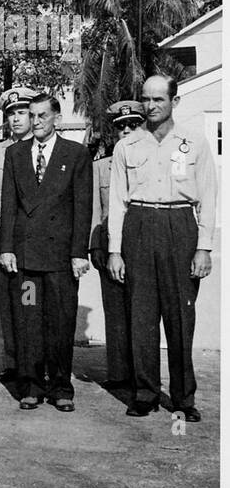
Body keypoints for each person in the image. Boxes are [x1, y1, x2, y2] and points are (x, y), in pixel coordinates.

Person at [107, 75, 217, 422]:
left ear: (175, 102)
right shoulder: (128, 146)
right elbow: (117, 202)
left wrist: (204, 247)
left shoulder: (194, 142)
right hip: (138, 226)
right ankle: (145, 393)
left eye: (159, 100)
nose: (152, 106)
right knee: (141, 317)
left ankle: (184, 398)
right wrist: (115, 250)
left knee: (181, 317)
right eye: (147, 100)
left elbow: (209, 199)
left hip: (179, 226)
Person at [0, 95, 92, 412]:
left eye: (42, 115)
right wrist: (7, 248)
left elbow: (83, 208)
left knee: (61, 324)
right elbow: (9, 205)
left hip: (60, 259)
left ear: (56, 118)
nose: (36, 121)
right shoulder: (15, 153)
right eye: (31, 115)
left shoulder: (76, 154)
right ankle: (31, 386)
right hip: (26, 260)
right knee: (29, 323)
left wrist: (79, 253)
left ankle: (62, 388)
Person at [89, 101, 143, 390]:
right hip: (110, 248)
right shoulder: (101, 167)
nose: (126, 130)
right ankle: (119, 373)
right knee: (115, 312)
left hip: (142, 247)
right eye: (121, 126)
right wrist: (95, 246)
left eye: (132, 125)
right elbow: (95, 210)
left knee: (142, 311)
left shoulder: (150, 161)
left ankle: (141, 373)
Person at [0, 86, 39, 383]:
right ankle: (14, 361)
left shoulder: (43, 149)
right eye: (12, 114)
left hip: (33, 241)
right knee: (8, 304)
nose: (17, 119)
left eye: (21, 112)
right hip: (1, 238)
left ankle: (35, 363)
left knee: (31, 301)